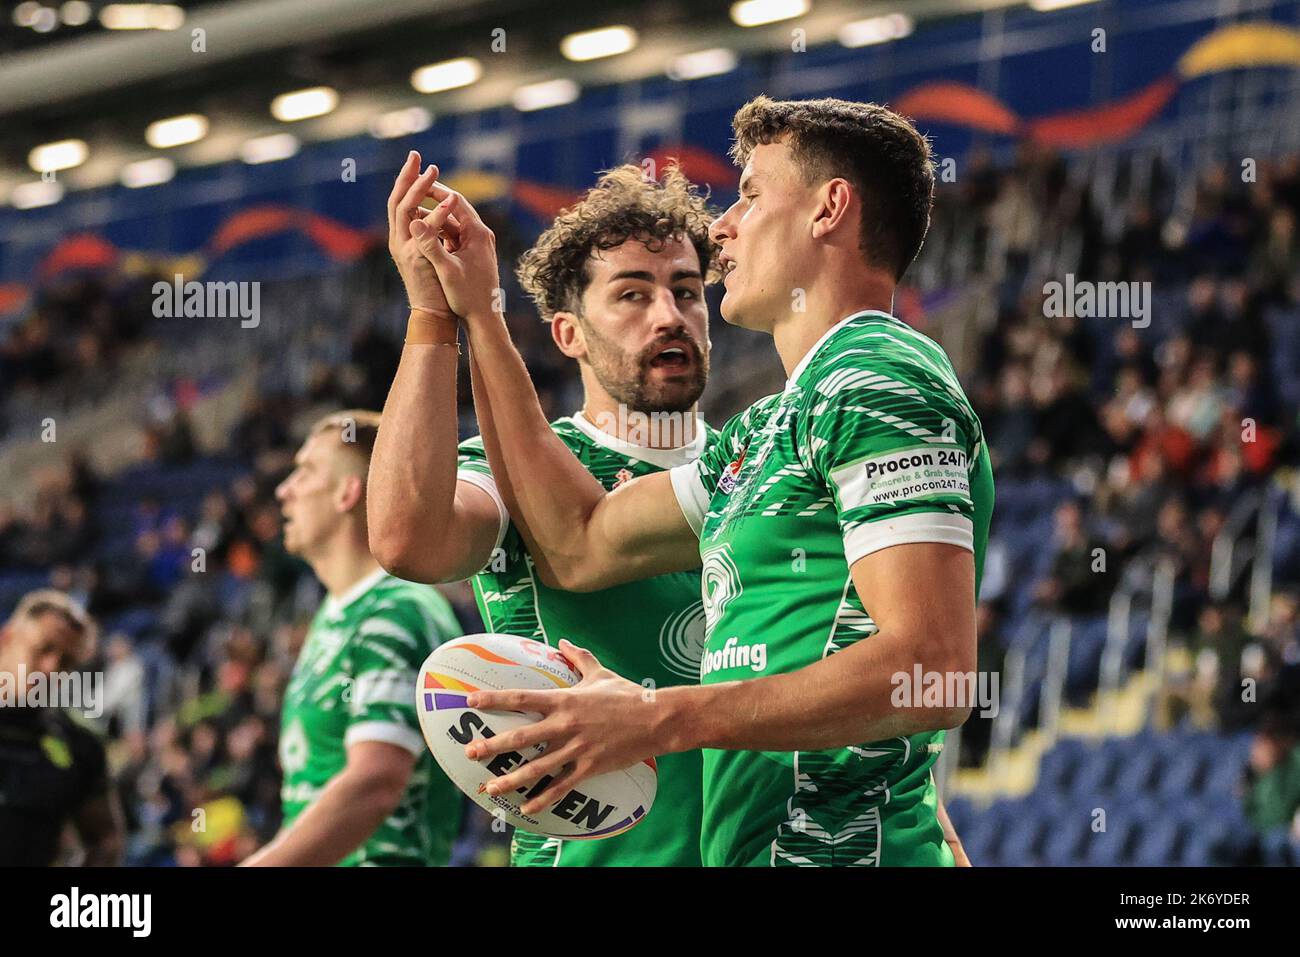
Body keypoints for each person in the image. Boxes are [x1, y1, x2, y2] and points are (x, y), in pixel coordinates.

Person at [412, 96, 991, 866]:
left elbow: (935, 672)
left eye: (751, 194)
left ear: (830, 208)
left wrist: (658, 717)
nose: (723, 227)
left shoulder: (877, 375)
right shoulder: (761, 433)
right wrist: (476, 313)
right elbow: (579, 542)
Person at [368, 155, 718, 866]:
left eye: (687, 291)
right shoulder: (511, 469)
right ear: (568, 334)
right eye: (632, 295)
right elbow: (409, 541)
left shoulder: (757, 461)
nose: (669, 315)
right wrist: (435, 313)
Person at [242, 410, 463, 866]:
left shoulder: (396, 610)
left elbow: (376, 783)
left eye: (305, 473)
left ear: (348, 492)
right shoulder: (333, 613)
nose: (284, 492)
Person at [0, 589, 124, 866]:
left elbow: (106, 839)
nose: (51, 669)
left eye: (67, 662)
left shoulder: (79, 743)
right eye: (43, 649)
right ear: (6, 639)